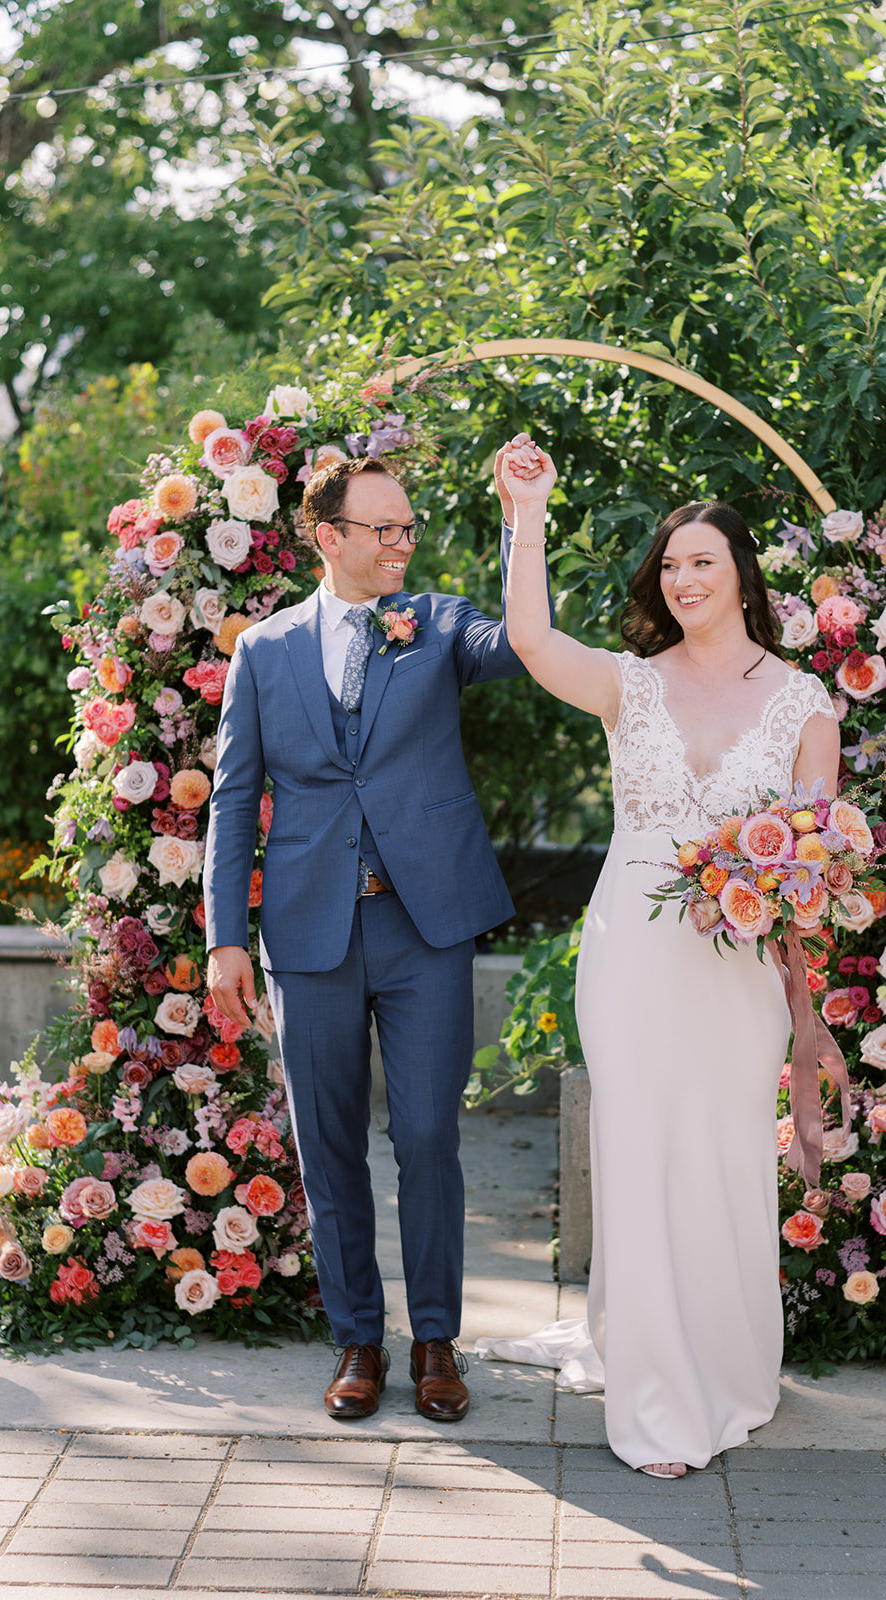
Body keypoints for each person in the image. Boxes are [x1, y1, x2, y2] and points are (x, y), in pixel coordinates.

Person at [482, 438, 840, 1477]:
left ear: (742, 577)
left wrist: (808, 1030)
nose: (682, 580)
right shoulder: (628, 686)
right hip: (630, 952)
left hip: (738, 974)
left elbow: (809, 883)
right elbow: (532, 636)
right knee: (638, 1153)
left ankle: (726, 1367)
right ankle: (655, 1403)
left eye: (703, 563)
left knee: (723, 1160)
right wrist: (528, 508)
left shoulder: (805, 706)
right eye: (670, 566)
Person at [204, 448, 542, 1424]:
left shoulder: (434, 623)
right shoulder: (263, 652)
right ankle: (359, 1338)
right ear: (329, 537)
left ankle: (436, 1341)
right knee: (329, 1146)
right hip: (307, 931)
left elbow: (522, 644)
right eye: (383, 528)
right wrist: (229, 934)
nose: (402, 542)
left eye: (408, 527)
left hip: (424, 923)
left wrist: (525, 516)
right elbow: (233, 802)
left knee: (431, 1136)